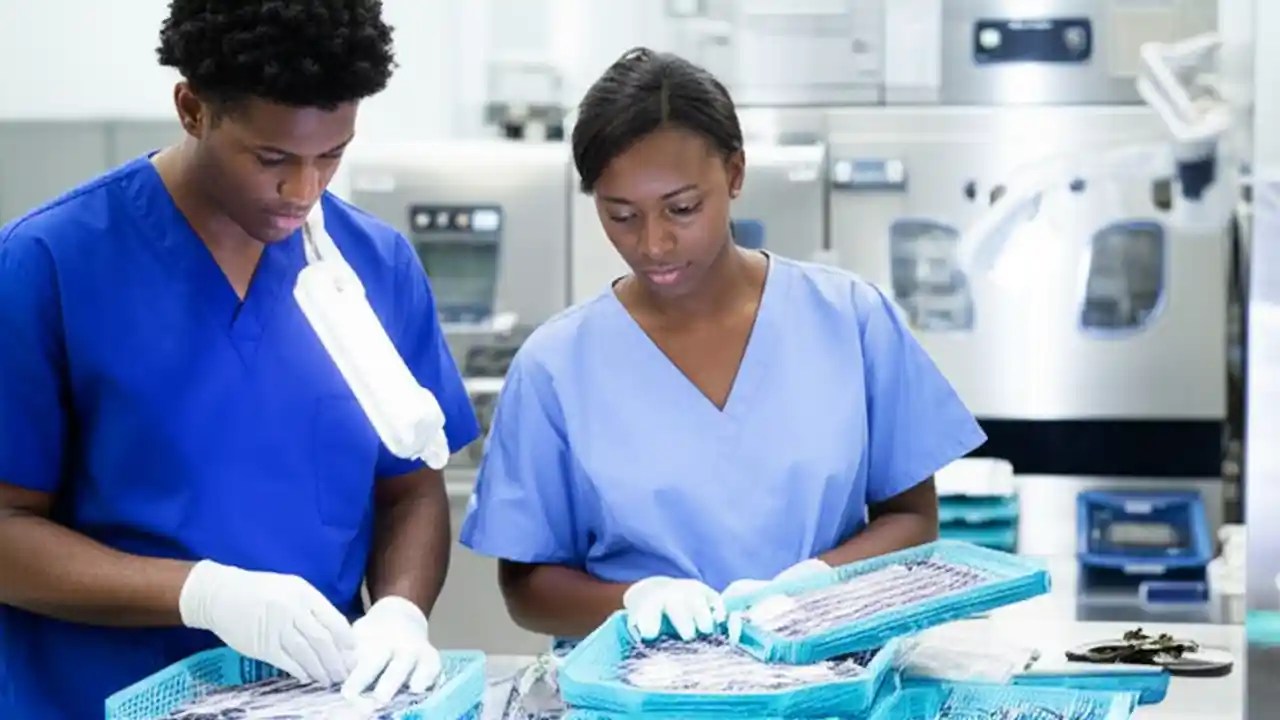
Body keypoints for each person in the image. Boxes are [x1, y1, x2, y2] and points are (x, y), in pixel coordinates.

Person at [0, 2, 479, 716]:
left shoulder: (373, 267)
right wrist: (204, 594)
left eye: (332, 155)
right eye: (272, 159)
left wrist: (401, 611)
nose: (305, 191)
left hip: (310, 699)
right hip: (96, 696)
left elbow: (410, 489)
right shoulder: (48, 266)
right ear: (193, 109)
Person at [459, 47, 987, 646]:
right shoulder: (555, 367)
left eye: (682, 208)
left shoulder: (850, 320)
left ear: (734, 174)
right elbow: (527, 587)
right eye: (622, 215)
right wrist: (635, 602)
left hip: (829, 679)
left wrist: (820, 583)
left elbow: (912, 519)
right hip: (640, 697)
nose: (654, 243)